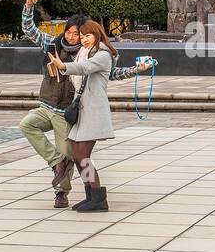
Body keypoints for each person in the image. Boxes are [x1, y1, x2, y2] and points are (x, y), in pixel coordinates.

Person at [47, 19, 155, 212]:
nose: (84, 40)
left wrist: (62, 65)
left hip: (93, 112)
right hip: (82, 111)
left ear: (97, 35)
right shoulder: (85, 53)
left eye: (88, 35)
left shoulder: (103, 54)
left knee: (82, 156)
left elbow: (85, 68)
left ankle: (98, 199)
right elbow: (90, 70)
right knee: (79, 155)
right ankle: (91, 195)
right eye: (82, 37)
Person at [19, 0, 86, 209]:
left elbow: (108, 70)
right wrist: (29, 6)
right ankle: (56, 162)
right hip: (46, 106)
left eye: (76, 34)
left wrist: (135, 70)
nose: (71, 37)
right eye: (69, 32)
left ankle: (61, 192)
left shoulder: (87, 53)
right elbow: (29, 30)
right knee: (27, 124)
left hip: (65, 112)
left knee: (68, 152)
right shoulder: (52, 43)